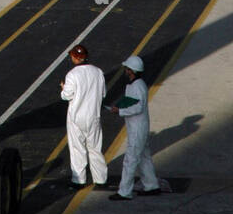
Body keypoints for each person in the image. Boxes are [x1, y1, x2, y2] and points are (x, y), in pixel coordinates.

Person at [107, 54, 161, 200]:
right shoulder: (136, 85)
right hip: (137, 127)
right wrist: (119, 106)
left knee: (130, 160)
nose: (125, 70)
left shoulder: (137, 86)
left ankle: (124, 192)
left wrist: (120, 110)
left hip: (137, 129)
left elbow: (138, 107)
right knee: (143, 157)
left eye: (127, 68)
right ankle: (151, 185)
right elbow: (131, 102)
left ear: (132, 70)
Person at [60, 43, 108, 190]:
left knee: (77, 148)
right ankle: (100, 179)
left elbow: (66, 95)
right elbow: (103, 93)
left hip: (76, 117)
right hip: (94, 116)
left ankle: (79, 180)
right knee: (95, 147)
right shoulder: (98, 72)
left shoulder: (72, 74)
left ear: (75, 57)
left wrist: (63, 88)